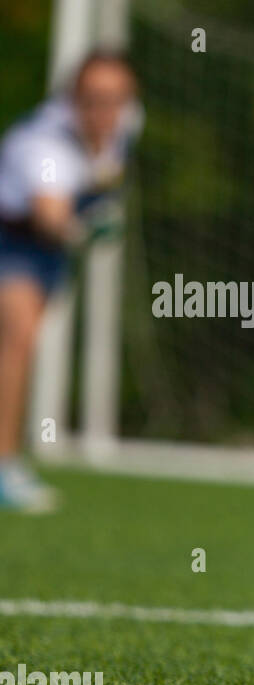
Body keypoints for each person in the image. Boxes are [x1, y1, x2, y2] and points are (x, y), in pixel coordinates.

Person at [0, 50, 142, 512]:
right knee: (16, 341)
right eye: (94, 99)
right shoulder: (43, 147)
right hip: (14, 239)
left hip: (46, 253)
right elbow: (50, 214)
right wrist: (86, 228)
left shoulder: (128, 122)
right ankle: (4, 467)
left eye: (116, 99)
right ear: (72, 99)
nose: (106, 111)